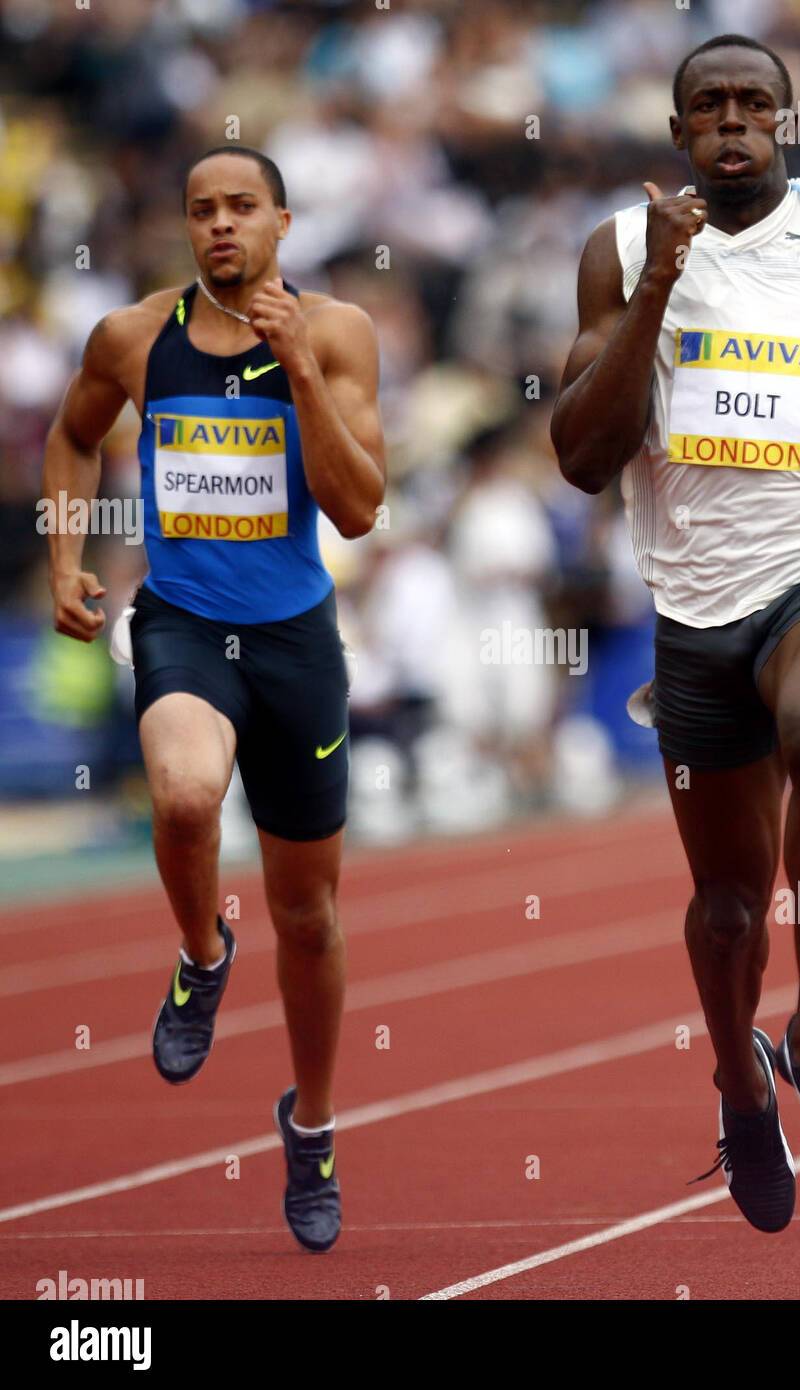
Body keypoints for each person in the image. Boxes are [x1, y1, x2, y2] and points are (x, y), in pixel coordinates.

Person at [551, 35, 800, 1233]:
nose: (733, 121)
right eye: (708, 107)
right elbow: (581, 455)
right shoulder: (620, 254)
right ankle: (741, 1084)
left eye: (754, 105)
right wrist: (663, 284)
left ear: (786, 121)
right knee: (728, 907)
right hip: (696, 600)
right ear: (678, 135)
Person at [42, 145, 386, 1252]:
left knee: (310, 916)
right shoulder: (135, 338)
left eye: (243, 207)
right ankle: (199, 954)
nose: (222, 226)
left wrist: (293, 369)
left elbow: (359, 508)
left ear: (283, 221)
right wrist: (65, 559)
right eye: (202, 211)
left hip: (295, 643)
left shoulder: (336, 335)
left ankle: (314, 1123)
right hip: (186, 623)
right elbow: (72, 436)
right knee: (185, 799)